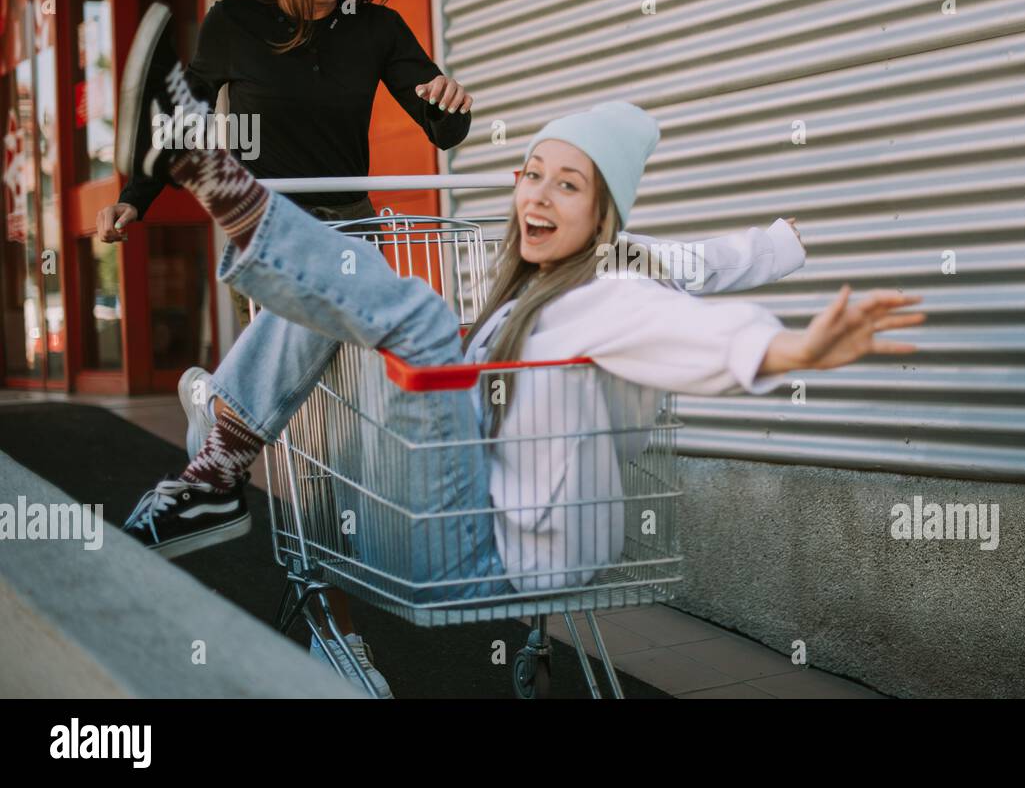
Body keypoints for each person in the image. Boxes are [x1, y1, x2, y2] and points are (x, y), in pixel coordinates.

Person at [114, 66, 927, 676]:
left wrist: (789, 352)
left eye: (567, 185)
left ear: (601, 214)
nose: (538, 196)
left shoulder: (609, 296)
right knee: (351, 290)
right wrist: (781, 240)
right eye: (531, 173)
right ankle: (220, 444)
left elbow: (688, 321)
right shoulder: (527, 295)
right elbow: (702, 260)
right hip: (463, 508)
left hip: (492, 552)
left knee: (413, 317)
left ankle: (216, 199)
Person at [101, 0, 476, 694]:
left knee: (333, 455)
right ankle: (322, 610)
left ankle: (221, 456)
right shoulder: (236, 24)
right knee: (316, 453)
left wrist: (453, 100)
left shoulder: (375, 29)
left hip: (349, 232)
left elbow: (442, 122)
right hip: (276, 239)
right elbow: (179, 114)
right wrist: (133, 197)